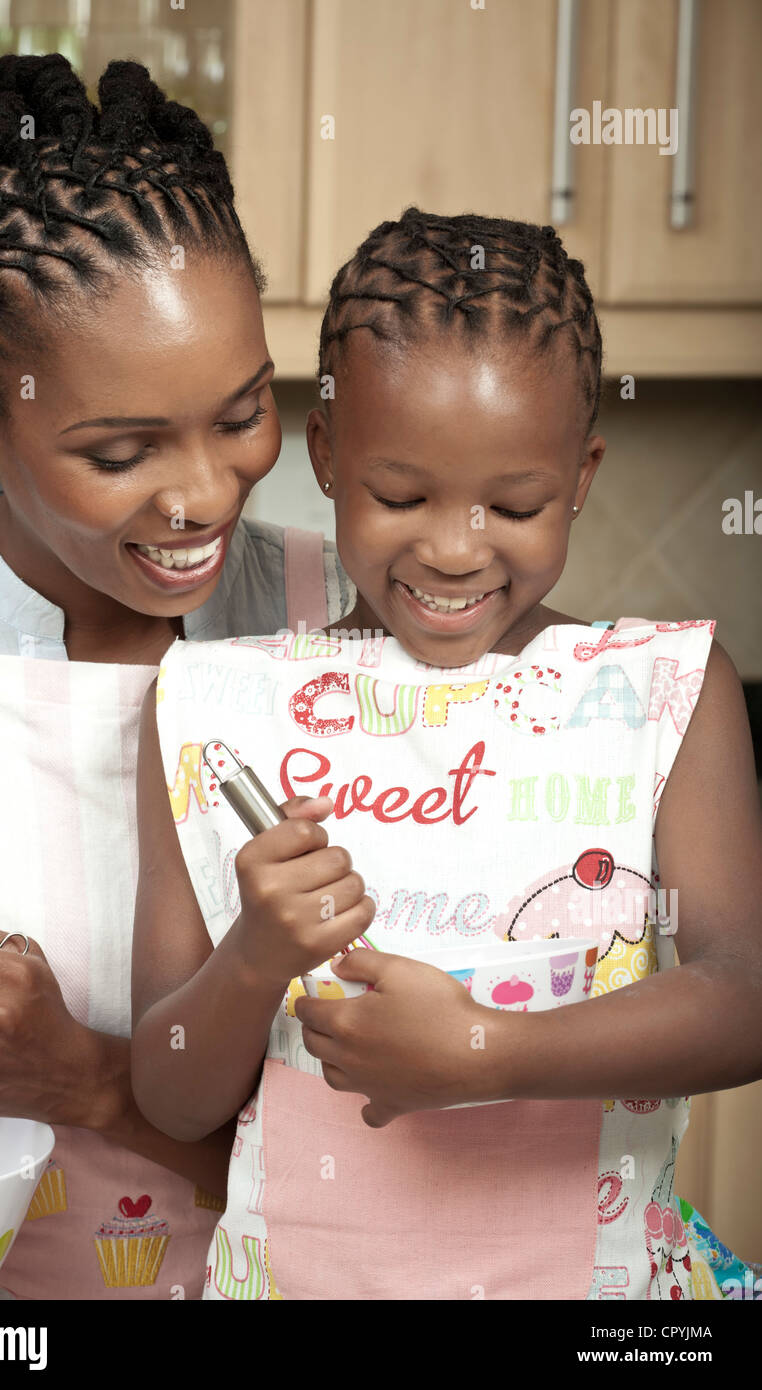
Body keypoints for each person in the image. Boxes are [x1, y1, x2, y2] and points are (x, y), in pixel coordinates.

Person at [131, 208, 762, 1299]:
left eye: (511, 503)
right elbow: (170, 1094)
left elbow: (743, 998)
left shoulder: (662, 694)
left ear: (579, 473)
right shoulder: (210, 705)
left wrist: (491, 1052)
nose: (454, 545)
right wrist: (252, 957)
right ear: (326, 455)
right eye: (400, 494)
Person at [0, 53, 352, 1300]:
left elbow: (416, 1134)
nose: (204, 494)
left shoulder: (351, 620)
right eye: (117, 450)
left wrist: (86, 1074)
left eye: (242, 411)